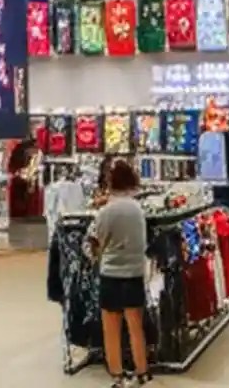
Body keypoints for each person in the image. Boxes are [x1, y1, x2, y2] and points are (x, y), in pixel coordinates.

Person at [89, 160, 151, 386]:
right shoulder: (137, 209)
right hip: (135, 272)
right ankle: (142, 371)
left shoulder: (105, 212)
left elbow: (97, 244)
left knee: (111, 328)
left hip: (112, 275)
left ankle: (117, 374)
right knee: (136, 326)